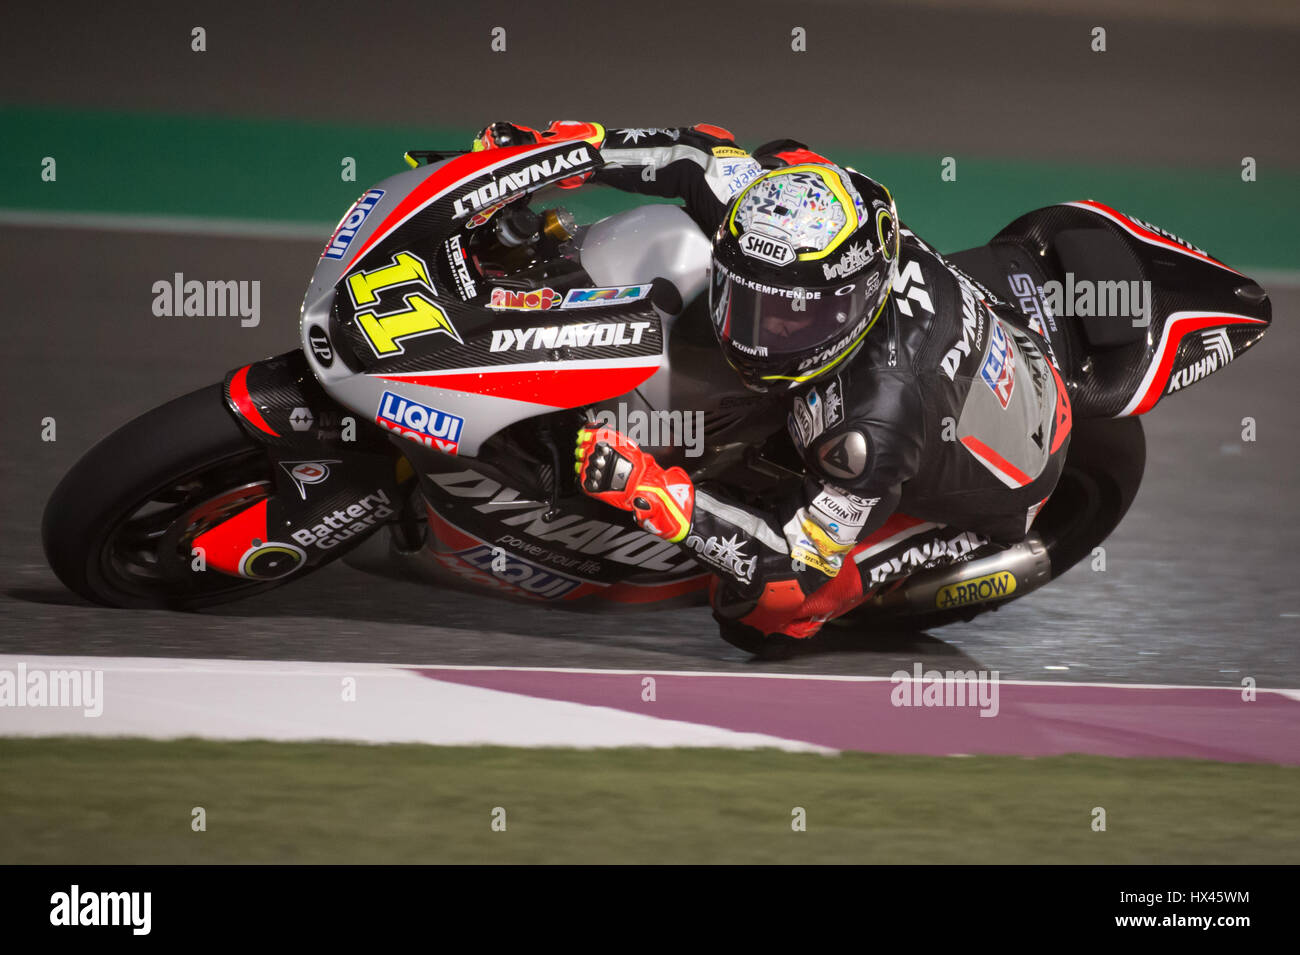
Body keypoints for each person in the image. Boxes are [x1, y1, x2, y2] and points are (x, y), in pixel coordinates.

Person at [475, 121, 1074, 653]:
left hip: (1007, 477)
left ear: (856, 305)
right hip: (987, 339)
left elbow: (794, 561)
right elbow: (699, 155)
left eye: (794, 316)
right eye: (747, 296)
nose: (761, 333)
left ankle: (871, 587)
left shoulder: (873, 424)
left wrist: (655, 493)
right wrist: (566, 154)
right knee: (781, 156)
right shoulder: (793, 227)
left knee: (764, 613)